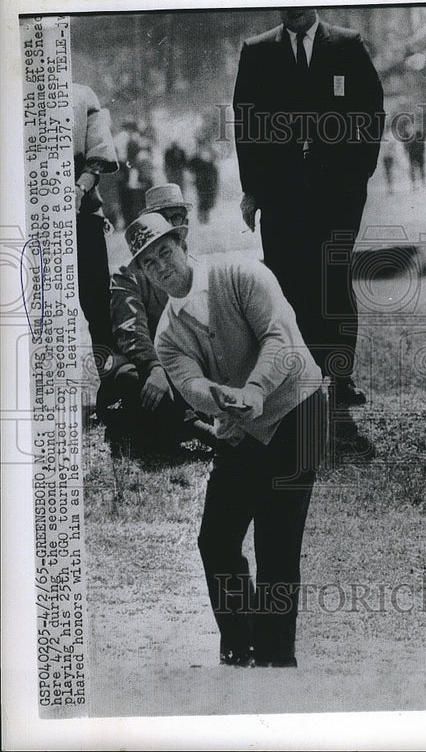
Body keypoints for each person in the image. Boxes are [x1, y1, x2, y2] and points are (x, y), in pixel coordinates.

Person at [123, 211, 327, 667]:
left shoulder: (241, 273)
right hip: (241, 426)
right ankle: (240, 648)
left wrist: (254, 390)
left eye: (164, 252)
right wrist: (216, 399)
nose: (161, 267)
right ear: (142, 275)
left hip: (298, 409)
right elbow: (190, 384)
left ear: (182, 242)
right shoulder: (167, 335)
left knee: (275, 546)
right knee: (215, 541)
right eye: (149, 264)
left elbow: (281, 338)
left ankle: (276, 661)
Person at [233, 7, 385, 406]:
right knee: (288, 282)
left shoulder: (348, 46)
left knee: (333, 278)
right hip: (281, 195)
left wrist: (359, 173)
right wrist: (252, 191)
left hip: (338, 194)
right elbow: (245, 124)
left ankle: (340, 376)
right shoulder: (257, 51)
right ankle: (302, 377)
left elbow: (372, 111)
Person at [106, 184, 214, 451]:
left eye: (181, 218)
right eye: (169, 217)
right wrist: (155, 367)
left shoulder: (197, 269)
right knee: (131, 381)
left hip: (186, 368)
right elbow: (130, 330)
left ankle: (160, 424)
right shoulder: (128, 275)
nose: (177, 224)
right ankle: (200, 430)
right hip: (146, 367)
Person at [73, 83, 119, 408]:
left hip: (83, 211)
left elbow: (98, 150)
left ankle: (112, 383)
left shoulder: (83, 94)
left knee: (98, 303)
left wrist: (80, 188)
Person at [188, 142, 219, 223]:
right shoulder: (198, 160)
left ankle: (205, 215)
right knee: (202, 200)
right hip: (201, 183)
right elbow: (190, 165)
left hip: (209, 183)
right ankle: (202, 216)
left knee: (208, 200)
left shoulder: (211, 163)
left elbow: (215, 174)